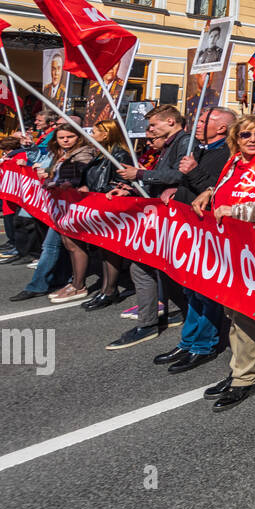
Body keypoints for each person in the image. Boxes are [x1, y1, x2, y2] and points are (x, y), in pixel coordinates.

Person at [192, 114, 255, 410]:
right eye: (245, 134)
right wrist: (208, 193)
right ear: (235, 138)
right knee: (232, 313)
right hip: (228, 248)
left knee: (246, 313)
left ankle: (244, 378)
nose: (252, 139)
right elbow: (225, 188)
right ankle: (238, 368)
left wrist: (236, 211)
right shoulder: (234, 162)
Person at [149, 107, 237, 373]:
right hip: (188, 226)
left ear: (221, 128)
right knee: (190, 289)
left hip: (207, 230)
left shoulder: (227, 154)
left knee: (204, 291)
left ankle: (204, 345)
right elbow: (188, 180)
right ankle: (188, 341)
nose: (196, 124)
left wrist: (195, 172)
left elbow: (219, 190)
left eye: (202, 120)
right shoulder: (199, 148)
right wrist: (177, 188)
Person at [105, 105, 190, 348]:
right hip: (161, 213)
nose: (149, 130)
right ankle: (174, 311)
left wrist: (140, 175)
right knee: (155, 267)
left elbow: (179, 177)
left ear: (171, 122)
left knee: (142, 268)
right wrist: (129, 188)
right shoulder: (171, 143)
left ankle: (148, 324)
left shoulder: (184, 142)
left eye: (153, 125)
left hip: (172, 214)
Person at [80, 120, 134, 311]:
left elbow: (123, 183)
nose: (91, 135)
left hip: (111, 210)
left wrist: (103, 191)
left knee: (110, 252)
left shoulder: (119, 155)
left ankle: (110, 291)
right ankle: (105, 289)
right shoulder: (102, 154)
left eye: (95, 132)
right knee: (103, 252)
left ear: (106, 134)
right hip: (98, 207)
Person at [40, 124, 97, 304]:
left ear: (78, 137)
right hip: (64, 204)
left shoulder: (83, 153)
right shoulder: (63, 153)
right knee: (68, 242)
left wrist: (63, 184)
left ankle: (79, 285)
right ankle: (75, 282)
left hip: (77, 203)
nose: (65, 140)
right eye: (61, 138)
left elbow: (81, 175)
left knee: (74, 243)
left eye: (69, 137)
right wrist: (51, 179)